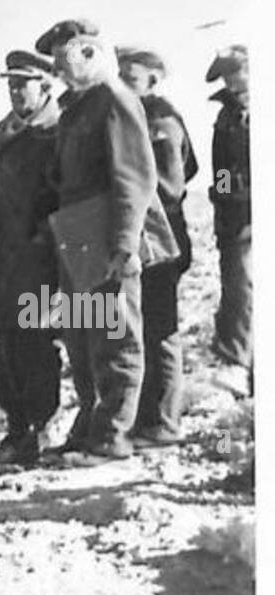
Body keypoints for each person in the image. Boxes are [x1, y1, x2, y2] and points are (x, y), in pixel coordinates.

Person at [36, 19, 177, 466]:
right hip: (77, 234)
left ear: (90, 54)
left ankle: (113, 436)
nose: (60, 69)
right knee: (80, 337)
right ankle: (91, 427)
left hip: (106, 233)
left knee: (114, 336)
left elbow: (133, 178)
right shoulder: (77, 107)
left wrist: (125, 244)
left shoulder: (115, 99)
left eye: (66, 58)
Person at [0, 50, 63, 467]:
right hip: (1, 256)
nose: (14, 91)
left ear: (45, 85)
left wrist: (46, 234)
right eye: (10, 83)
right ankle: (16, 431)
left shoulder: (57, 130)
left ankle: (41, 430)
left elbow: (67, 189)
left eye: (21, 83)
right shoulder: (3, 130)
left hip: (39, 257)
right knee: (6, 346)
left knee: (35, 345)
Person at [116, 46, 199, 448]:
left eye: (131, 78)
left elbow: (172, 183)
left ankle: (163, 423)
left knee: (160, 331)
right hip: (142, 239)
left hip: (160, 241)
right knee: (140, 329)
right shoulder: (130, 117)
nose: (123, 84)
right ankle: (147, 418)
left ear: (152, 80)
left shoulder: (161, 121)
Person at [205, 44, 252, 397]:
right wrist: (227, 194)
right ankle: (237, 362)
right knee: (238, 284)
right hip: (237, 217)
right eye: (227, 75)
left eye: (238, 70)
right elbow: (220, 168)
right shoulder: (226, 116)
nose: (234, 80)